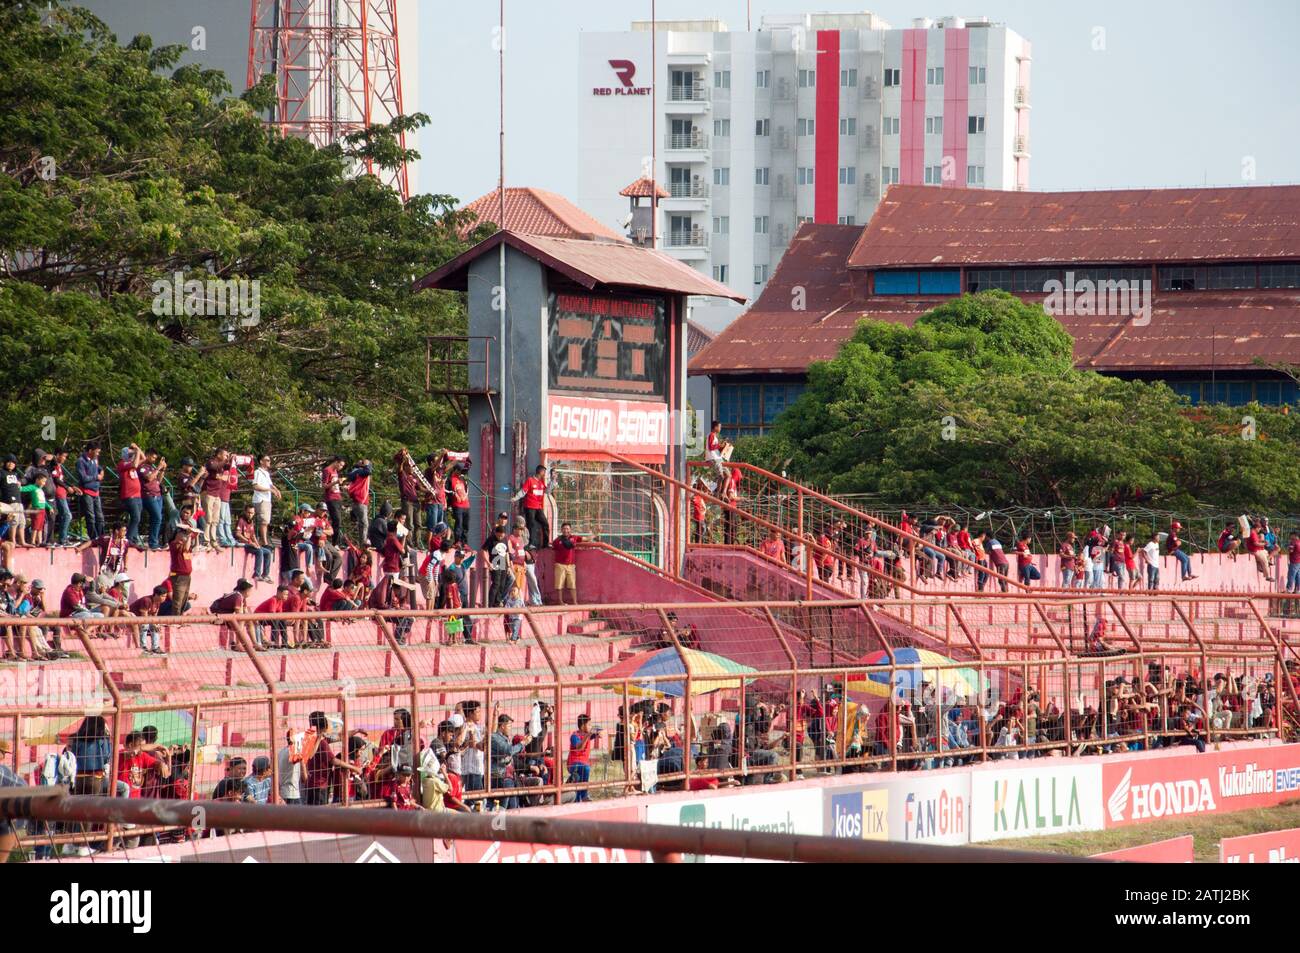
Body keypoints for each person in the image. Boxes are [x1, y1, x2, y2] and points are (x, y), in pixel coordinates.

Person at [513, 464, 555, 549]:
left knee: (545, 524)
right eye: (544, 472)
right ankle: (530, 543)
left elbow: (547, 491)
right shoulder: (530, 480)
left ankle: (545, 544)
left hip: (538, 507)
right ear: (540, 471)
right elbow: (523, 491)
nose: (545, 474)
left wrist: (552, 480)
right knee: (530, 524)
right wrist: (515, 498)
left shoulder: (542, 482)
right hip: (529, 506)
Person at [566, 714, 600, 802]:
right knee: (586, 768)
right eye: (589, 724)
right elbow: (579, 747)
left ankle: (578, 799)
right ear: (582, 725)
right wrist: (588, 735)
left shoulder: (586, 735)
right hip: (573, 764)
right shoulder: (574, 736)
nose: (590, 726)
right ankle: (583, 796)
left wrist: (599, 733)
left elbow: (599, 733)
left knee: (579, 778)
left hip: (582, 764)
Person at [236, 504, 274, 582]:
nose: (250, 515)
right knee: (259, 551)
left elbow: (253, 535)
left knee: (267, 552)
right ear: (245, 512)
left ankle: (265, 575)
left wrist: (257, 544)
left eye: (252, 513)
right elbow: (238, 534)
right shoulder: (241, 520)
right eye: (248, 512)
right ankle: (257, 574)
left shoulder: (251, 521)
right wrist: (250, 542)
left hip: (250, 543)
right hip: (243, 544)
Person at [76, 443, 106, 542]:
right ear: (90, 451)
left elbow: (100, 469)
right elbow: (83, 478)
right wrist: (96, 477)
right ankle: (93, 537)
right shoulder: (81, 461)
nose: (97, 454)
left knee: (100, 515)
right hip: (87, 491)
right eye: (96, 452)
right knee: (90, 515)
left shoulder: (95, 460)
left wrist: (101, 472)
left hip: (96, 491)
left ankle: (101, 535)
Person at [116, 443, 145, 545]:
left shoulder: (131, 464)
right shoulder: (122, 464)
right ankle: (129, 539)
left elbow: (144, 458)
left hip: (137, 495)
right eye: (130, 455)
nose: (132, 456)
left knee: (137, 518)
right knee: (135, 517)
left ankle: (134, 538)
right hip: (129, 495)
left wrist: (138, 448)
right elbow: (135, 464)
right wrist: (136, 452)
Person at [167, 517, 196, 615]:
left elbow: (193, 547)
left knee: (184, 598)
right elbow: (186, 546)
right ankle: (174, 619)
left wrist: (193, 534)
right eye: (182, 533)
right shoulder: (174, 544)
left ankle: (179, 618)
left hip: (187, 576)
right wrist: (189, 535)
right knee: (178, 599)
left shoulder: (184, 545)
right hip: (178, 576)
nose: (185, 535)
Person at [251, 454, 281, 547]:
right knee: (264, 521)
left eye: (269, 460)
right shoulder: (257, 472)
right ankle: (264, 541)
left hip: (267, 499)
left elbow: (270, 484)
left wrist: (276, 490)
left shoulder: (266, 473)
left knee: (266, 521)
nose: (269, 462)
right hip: (261, 499)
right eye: (267, 460)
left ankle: (263, 540)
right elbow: (255, 486)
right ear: (261, 461)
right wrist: (269, 490)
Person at [129, 585, 168, 655]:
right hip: (134, 618)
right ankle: (143, 647)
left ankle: (155, 648)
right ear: (156, 595)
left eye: (165, 596)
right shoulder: (146, 600)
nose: (164, 598)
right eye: (163, 596)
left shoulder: (158, 603)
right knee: (145, 625)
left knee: (156, 626)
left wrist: (156, 625)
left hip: (144, 619)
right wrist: (153, 624)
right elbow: (144, 617)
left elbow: (154, 616)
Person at [551, 523, 583, 606]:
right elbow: (553, 547)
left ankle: (575, 602)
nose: (566, 530)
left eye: (567, 529)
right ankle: (560, 602)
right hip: (560, 565)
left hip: (571, 565)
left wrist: (595, 533)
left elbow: (586, 539)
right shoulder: (557, 540)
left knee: (572, 584)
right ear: (561, 530)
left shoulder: (574, 538)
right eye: (564, 529)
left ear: (570, 530)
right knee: (559, 584)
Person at [346, 458, 372, 542]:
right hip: (360, 500)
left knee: (361, 523)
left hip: (359, 500)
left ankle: (362, 542)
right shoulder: (360, 471)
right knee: (364, 524)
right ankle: (363, 543)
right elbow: (368, 471)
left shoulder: (355, 471)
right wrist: (367, 464)